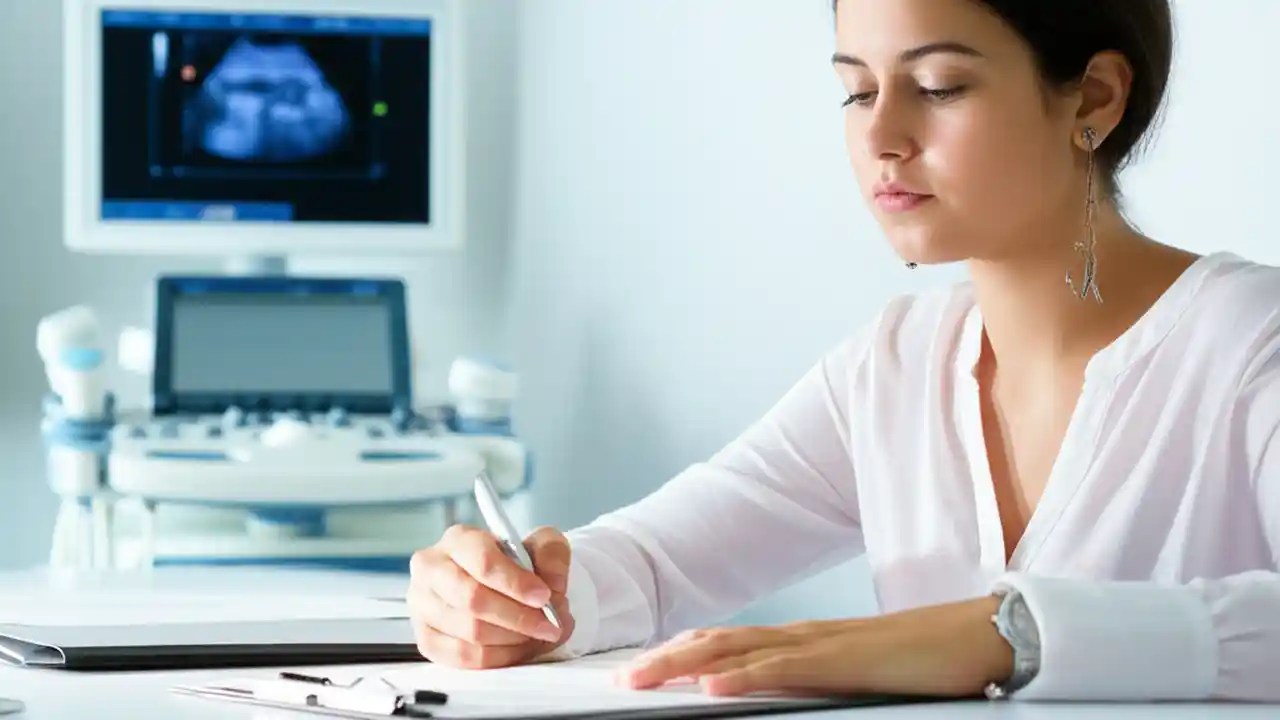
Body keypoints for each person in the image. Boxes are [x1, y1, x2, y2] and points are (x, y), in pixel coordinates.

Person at [406, 0, 1280, 703]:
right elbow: (657, 562)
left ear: (1093, 98)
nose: (882, 136)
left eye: (938, 87)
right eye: (857, 92)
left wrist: (1003, 635)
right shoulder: (895, 367)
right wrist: (522, 601)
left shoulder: (1251, 343)